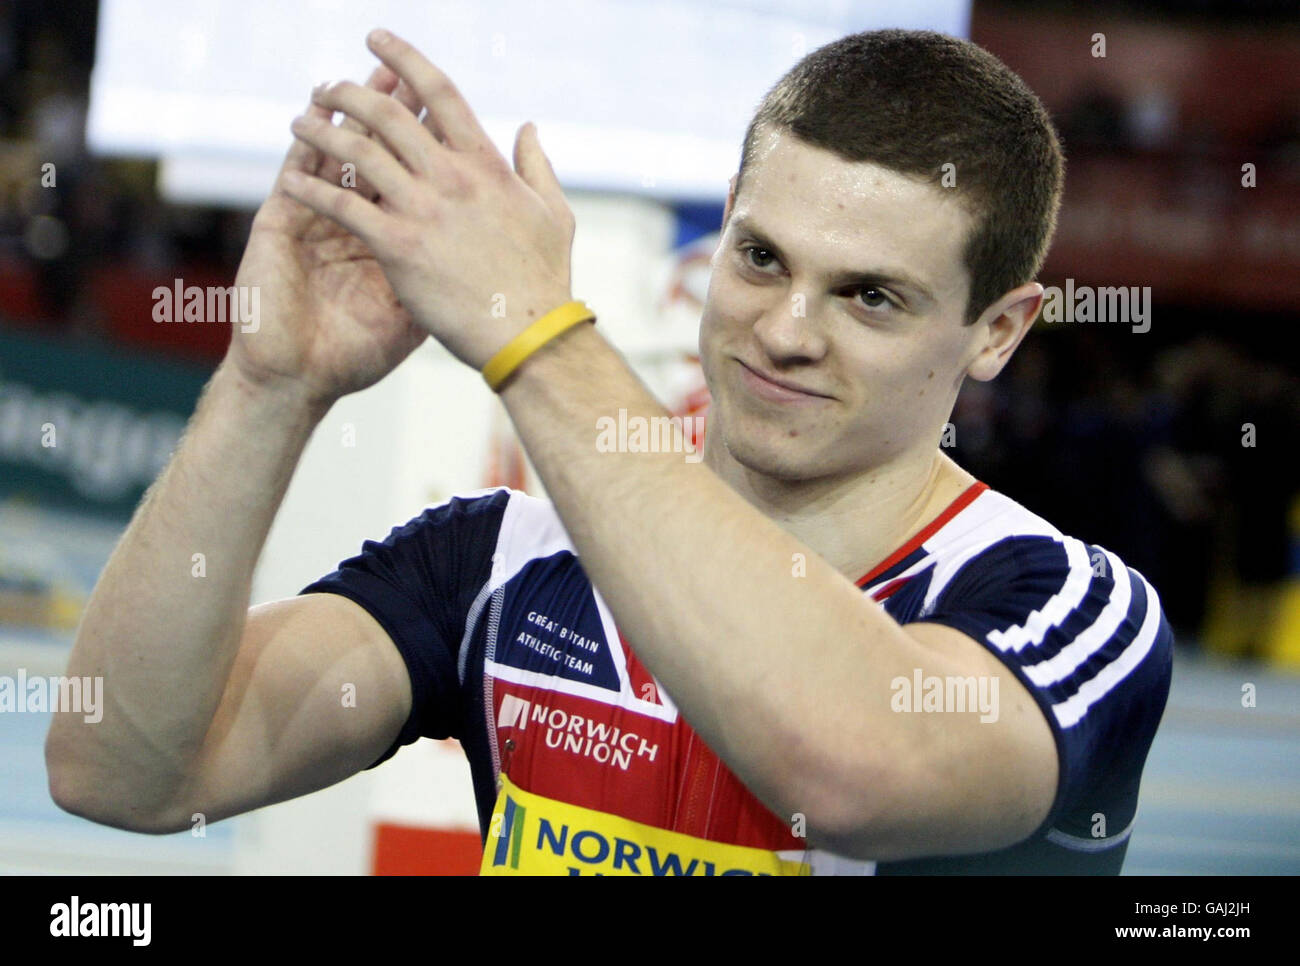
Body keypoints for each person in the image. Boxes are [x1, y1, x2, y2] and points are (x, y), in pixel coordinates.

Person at [47, 27, 1173, 874]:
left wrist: (532, 330)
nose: (786, 331)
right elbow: (121, 771)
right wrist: (268, 384)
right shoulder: (500, 564)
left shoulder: (1070, 607)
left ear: (997, 331)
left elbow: (849, 767)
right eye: (762, 258)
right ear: (723, 224)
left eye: (869, 296)